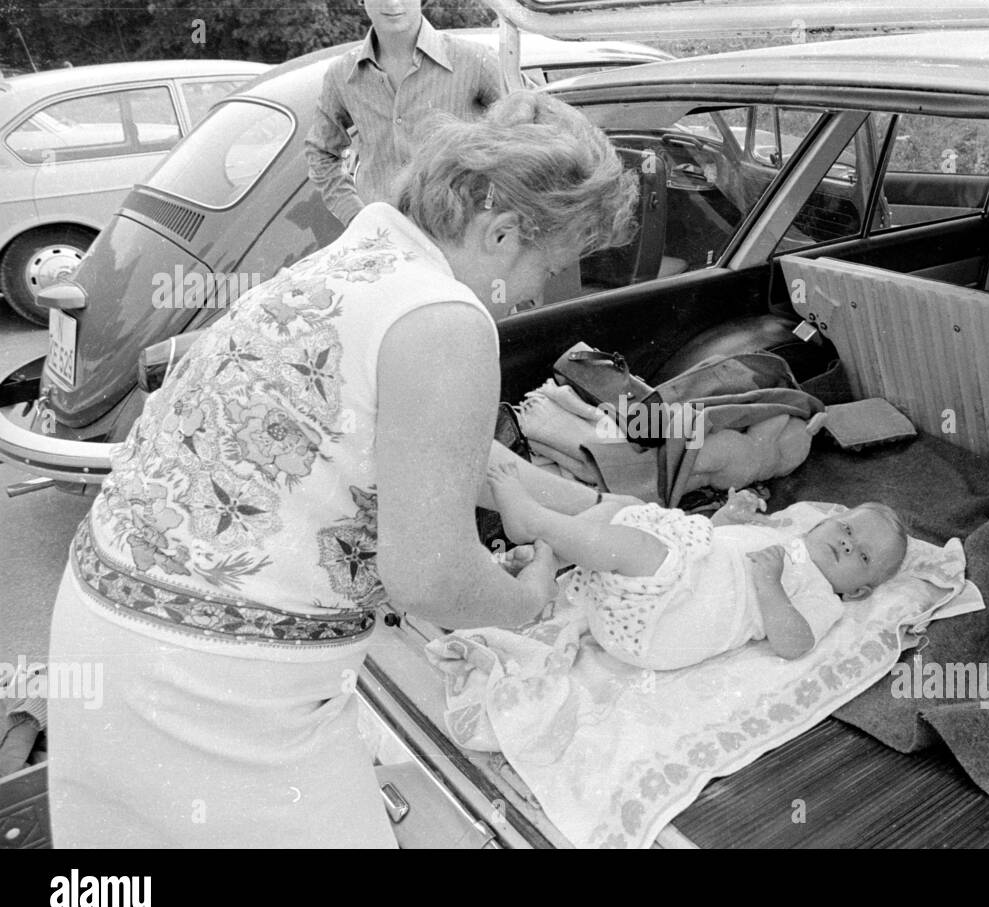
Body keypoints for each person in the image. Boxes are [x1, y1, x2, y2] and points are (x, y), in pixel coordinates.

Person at [46, 89, 638, 848]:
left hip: (110, 624)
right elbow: (430, 576)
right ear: (501, 233)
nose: (539, 292)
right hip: (213, 690)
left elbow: (452, 454)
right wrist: (531, 603)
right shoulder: (445, 321)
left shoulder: (364, 257)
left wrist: (595, 507)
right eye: (551, 266)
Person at [487, 464, 909, 670]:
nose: (847, 545)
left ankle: (535, 524)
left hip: (663, 625)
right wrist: (727, 517)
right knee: (626, 515)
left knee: (639, 548)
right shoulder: (785, 540)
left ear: (858, 592)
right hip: (651, 594)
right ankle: (549, 560)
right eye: (848, 529)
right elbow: (707, 542)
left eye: (864, 557)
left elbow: (795, 643)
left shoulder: (821, 595)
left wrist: (770, 586)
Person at [305, 0, 503, 224]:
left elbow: (533, 134)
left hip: (462, 237)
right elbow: (321, 151)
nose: (392, 2)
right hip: (385, 241)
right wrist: (355, 216)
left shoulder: (474, 60)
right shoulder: (342, 74)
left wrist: (492, 207)